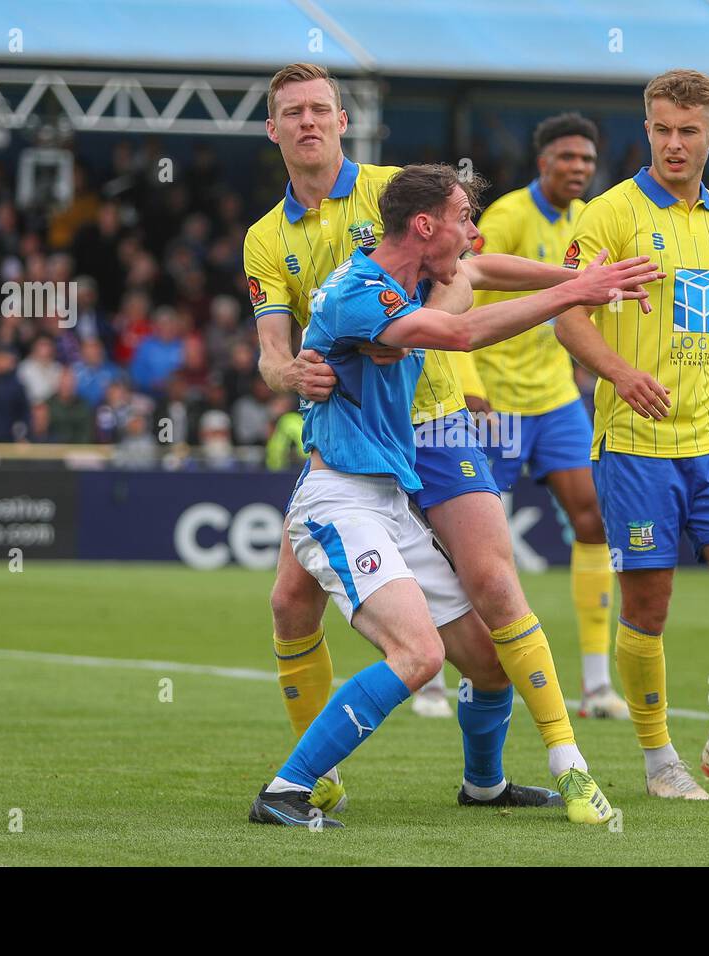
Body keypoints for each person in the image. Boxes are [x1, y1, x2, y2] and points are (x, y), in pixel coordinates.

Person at [244, 63, 629, 816]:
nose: (309, 122)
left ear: (344, 121)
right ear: (274, 129)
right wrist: (292, 372)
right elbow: (275, 354)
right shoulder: (271, 240)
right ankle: (305, 780)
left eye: (321, 109)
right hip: (355, 452)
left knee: (492, 607)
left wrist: (565, 283)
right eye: (293, 112)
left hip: (431, 426)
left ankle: (529, 771)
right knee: (295, 607)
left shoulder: (396, 190)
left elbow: (468, 273)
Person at [555, 69, 709, 801]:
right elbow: (566, 314)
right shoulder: (608, 215)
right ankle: (660, 761)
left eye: (689, 131)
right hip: (636, 443)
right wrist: (619, 374)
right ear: (648, 130)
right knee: (648, 608)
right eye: (662, 129)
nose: (674, 143)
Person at [454, 112, 628, 720]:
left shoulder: (588, 221)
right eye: (568, 158)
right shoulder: (506, 217)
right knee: (472, 539)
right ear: (543, 162)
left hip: (555, 399)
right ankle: (447, 675)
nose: (579, 168)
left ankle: (596, 683)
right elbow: (455, 292)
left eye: (587, 160)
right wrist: (467, 380)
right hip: (496, 398)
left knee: (593, 519)